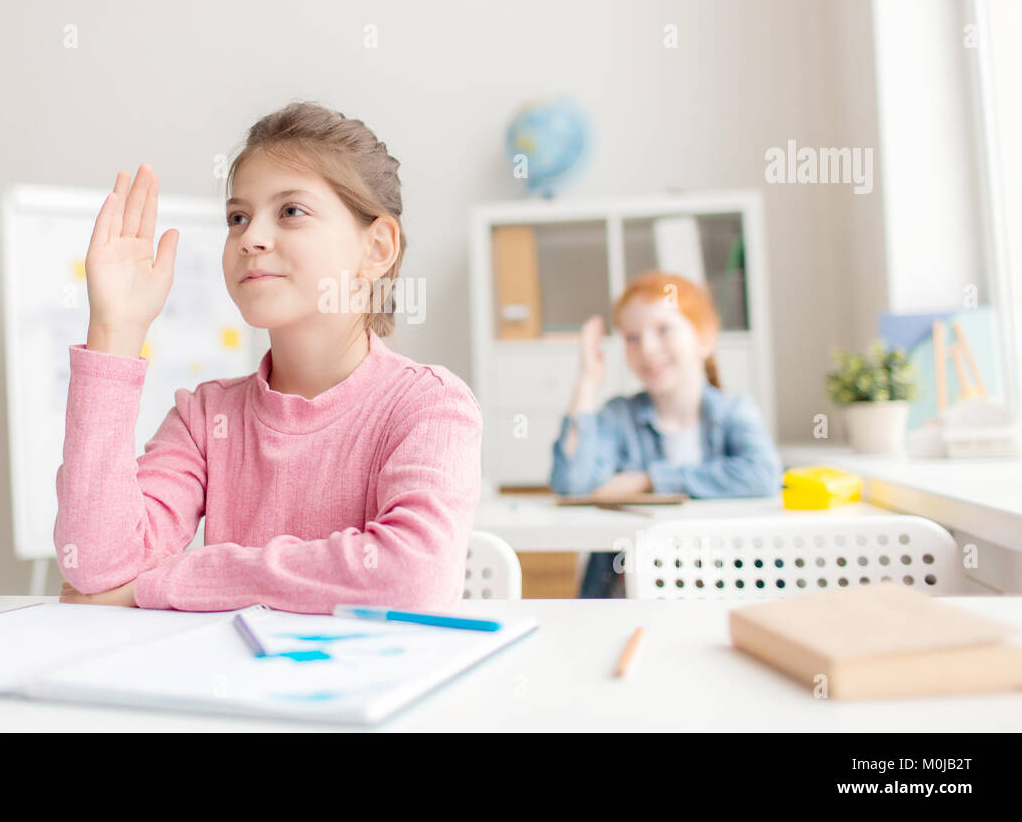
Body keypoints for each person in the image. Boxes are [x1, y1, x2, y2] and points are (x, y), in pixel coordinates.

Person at [54, 101, 483, 612]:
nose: (251, 238)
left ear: (376, 249)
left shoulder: (430, 407)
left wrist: (168, 583)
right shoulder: (205, 417)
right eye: (238, 217)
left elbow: (412, 578)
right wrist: (115, 332)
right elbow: (97, 568)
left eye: (291, 211)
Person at [550, 271, 781, 597]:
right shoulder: (619, 415)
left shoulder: (734, 411)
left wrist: (648, 481)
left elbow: (763, 476)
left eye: (664, 329)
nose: (647, 348)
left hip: (723, 592)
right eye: (632, 337)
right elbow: (572, 483)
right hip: (632, 598)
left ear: (704, 339)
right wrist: (588, 380)